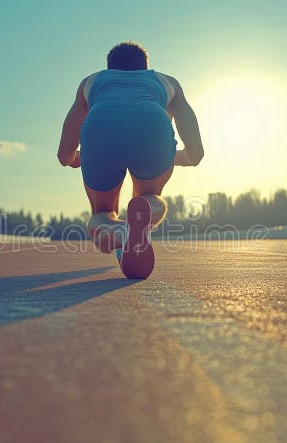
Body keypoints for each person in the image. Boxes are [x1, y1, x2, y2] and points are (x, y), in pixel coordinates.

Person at [57, 41, 204, 279]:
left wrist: (76, 158)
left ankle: (119, 232)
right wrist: (172, 158)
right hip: (151, 121)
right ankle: (140, 215)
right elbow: (195, 154)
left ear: (109, 68)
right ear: (146, 67)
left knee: (102, 212)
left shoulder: (91, 81)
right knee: (149, 199)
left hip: (100, 123)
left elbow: (64, 154)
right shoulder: (168, 82)